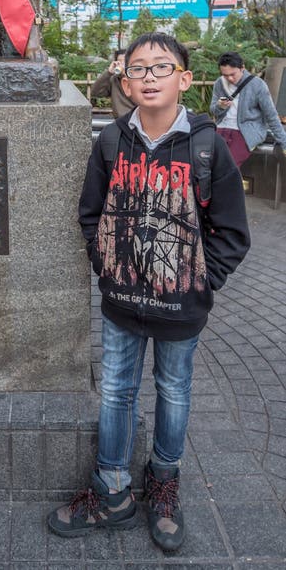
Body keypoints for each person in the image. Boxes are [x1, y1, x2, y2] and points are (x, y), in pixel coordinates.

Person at [48, 32, 250, 551]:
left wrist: (203, 281)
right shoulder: (112, 142)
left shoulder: (207, 147)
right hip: (120, 304)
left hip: (182, 306)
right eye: (139, 68)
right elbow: (90, 215)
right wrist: (107, 266)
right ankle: (112, 489)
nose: (150, 77)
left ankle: (164, 484)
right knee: (116, 390)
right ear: (125, 80)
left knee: (174, 390)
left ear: (184, 79)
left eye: (162, 68)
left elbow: (231, 231)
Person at [210, 51, 286, 168]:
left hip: (246, 131)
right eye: (225, 75)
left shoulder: (257, 85)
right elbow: (213, 110)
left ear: (242, 68)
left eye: (233, 74)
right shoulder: (219, 83)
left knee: (228, 167)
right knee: (207, 165)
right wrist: (221, 106)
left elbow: (271, 116)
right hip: (222, 128)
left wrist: (284, 142)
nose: (229, 78)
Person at [90, 49, 136, 118]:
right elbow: (95, 92)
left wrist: (127, 75)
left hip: (137, 120)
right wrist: (108, 73)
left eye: (125, 61)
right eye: (119, 61)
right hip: (120, 121)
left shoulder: (138, 78)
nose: (122, 64)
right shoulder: (114, 79)